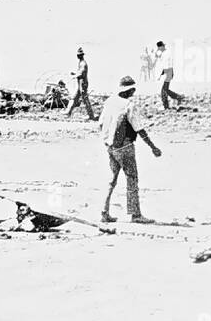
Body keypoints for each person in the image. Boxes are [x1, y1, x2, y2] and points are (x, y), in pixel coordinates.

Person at [98, 74, 161, 223]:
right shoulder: (128, 105)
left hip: (110, 147)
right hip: (125, 147)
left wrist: (108, 140)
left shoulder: (109, 102)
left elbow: (100, 123)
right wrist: (153, 147)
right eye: (132, 90)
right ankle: (136, 215)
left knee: (112, 179)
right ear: (129, 90)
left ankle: (104, 212)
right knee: (132, 179)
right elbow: (139, 129)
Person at [152, 40, 184, 110]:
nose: (159, 49)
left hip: (169, 72)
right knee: (164, 90)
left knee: (164, 90)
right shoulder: (164, 53)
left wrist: (163, 71)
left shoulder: (166, 53)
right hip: (168, 72)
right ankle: (171, 102)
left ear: (161, 47)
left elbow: (167, 64)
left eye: (160, 48)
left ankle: (176, 99)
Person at [67, 46, 97, 121]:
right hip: (80, 83)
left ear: (81, 55)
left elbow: (82, 73)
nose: (77, 56)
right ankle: (68, 112)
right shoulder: (80, 63)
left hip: (83, 83)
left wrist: (75, 76)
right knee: (75, 98)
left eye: (79, 55)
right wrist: (75, 74)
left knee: (85, 99)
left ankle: (91, 116)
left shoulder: (83, 63)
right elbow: (80, 72)